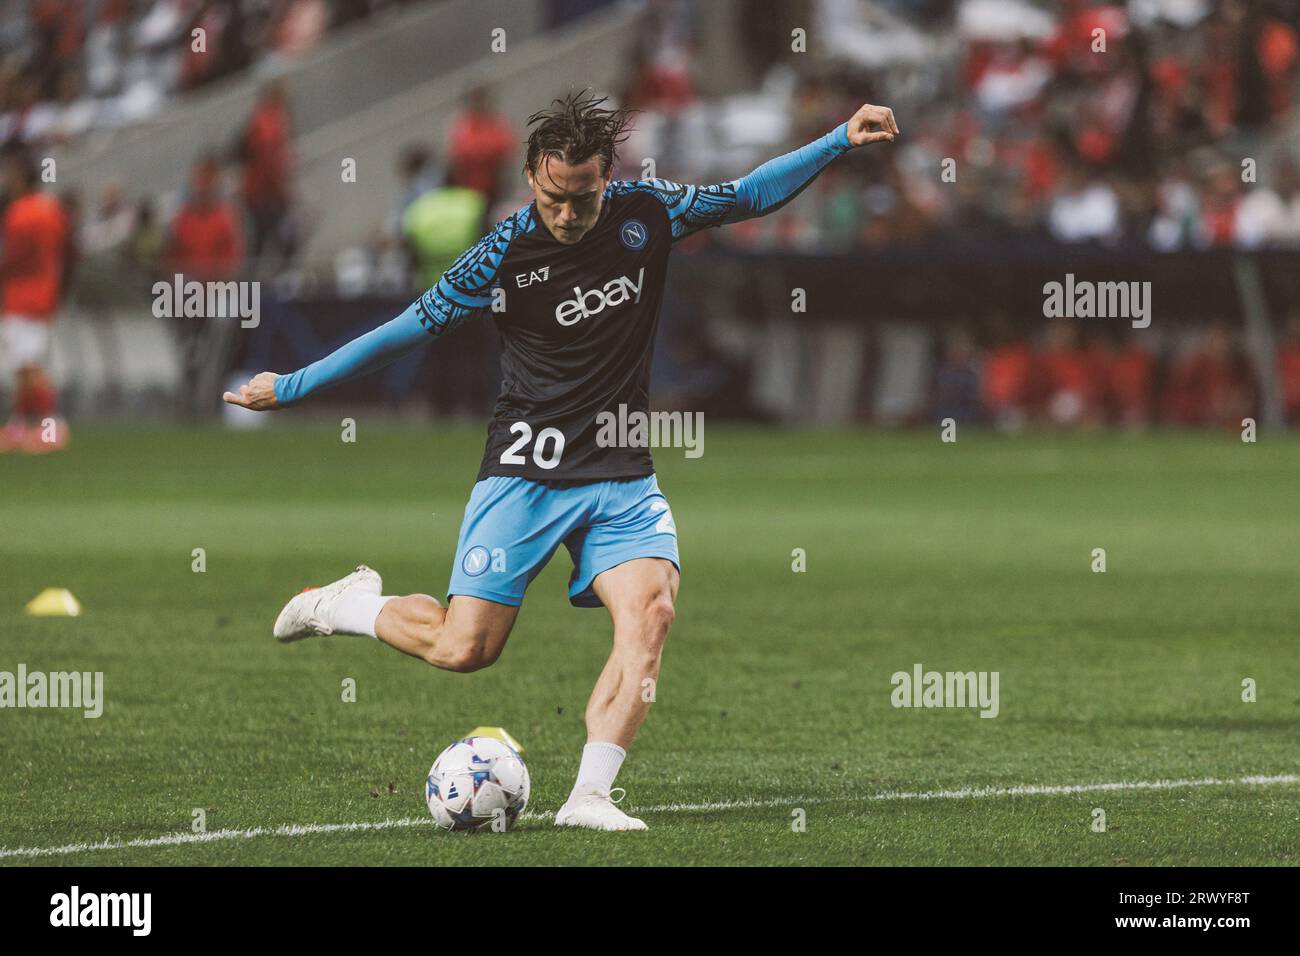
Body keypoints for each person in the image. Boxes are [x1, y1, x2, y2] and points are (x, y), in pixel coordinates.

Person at [223, 90, 899, 831]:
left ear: (607, 177)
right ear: (529, 177)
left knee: (652, 613)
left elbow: (746, 196)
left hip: (621, 474)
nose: (569, 214)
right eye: (553, 197)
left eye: (584, 197)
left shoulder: (650, 210)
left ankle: (589, 796)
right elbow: (404, 328)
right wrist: (291, 385)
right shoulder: (503, 252)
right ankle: (343, 604)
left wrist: (838, 138)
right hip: (525, 470)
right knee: (463, 648)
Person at [0, 143, 70, 452]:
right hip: (45, 294)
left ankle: (53, 425)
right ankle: (17, 427)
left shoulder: (19, 213)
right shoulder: (51, 209)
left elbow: (12, 258)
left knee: (27, 366)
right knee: (24, 366)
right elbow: (66, 252)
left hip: (21, 297)